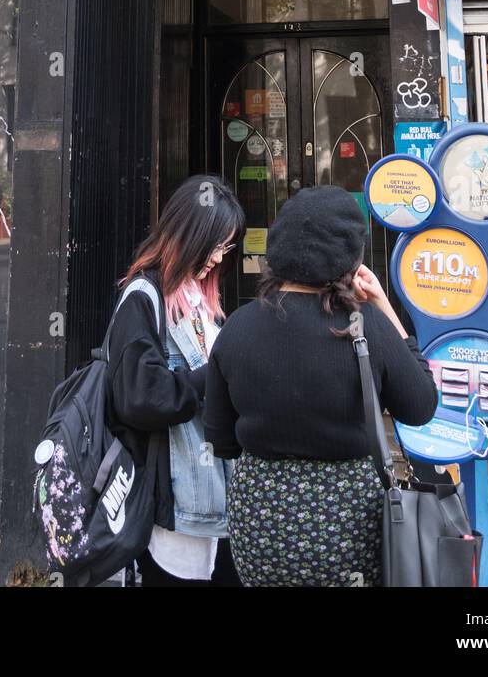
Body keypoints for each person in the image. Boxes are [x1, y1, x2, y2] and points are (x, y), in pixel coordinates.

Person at [203, 185, 437, 588]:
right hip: (347, 520)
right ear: (350, 257)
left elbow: (221, 440)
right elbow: (421, 405)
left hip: (260, 522)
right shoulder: (367, 327)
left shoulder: (237, 328)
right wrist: (382, 305)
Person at [106, 174, 245, 587]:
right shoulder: (143, 297)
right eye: (217, 245)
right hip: (172, 508)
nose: (220, 258)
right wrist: (213, 376)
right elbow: (140, 398)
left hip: (214, 500)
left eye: (227, 247)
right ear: (190, 236)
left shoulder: (200, 299)